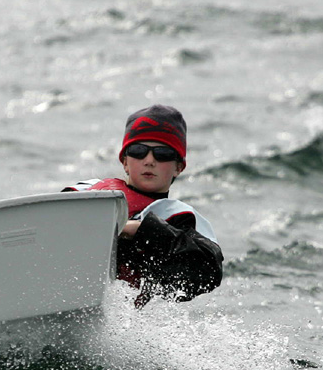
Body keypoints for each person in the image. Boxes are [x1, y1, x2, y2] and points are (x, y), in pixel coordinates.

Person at [63, 104, 223, 304]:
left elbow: (207, 274)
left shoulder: (180, 217)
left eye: (162, 154)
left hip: (122, 314)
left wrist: (140, 229)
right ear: (125, 162)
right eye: (139, 151)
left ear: (178, 167)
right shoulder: (86, 191)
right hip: (65, 287)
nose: (149, 160)